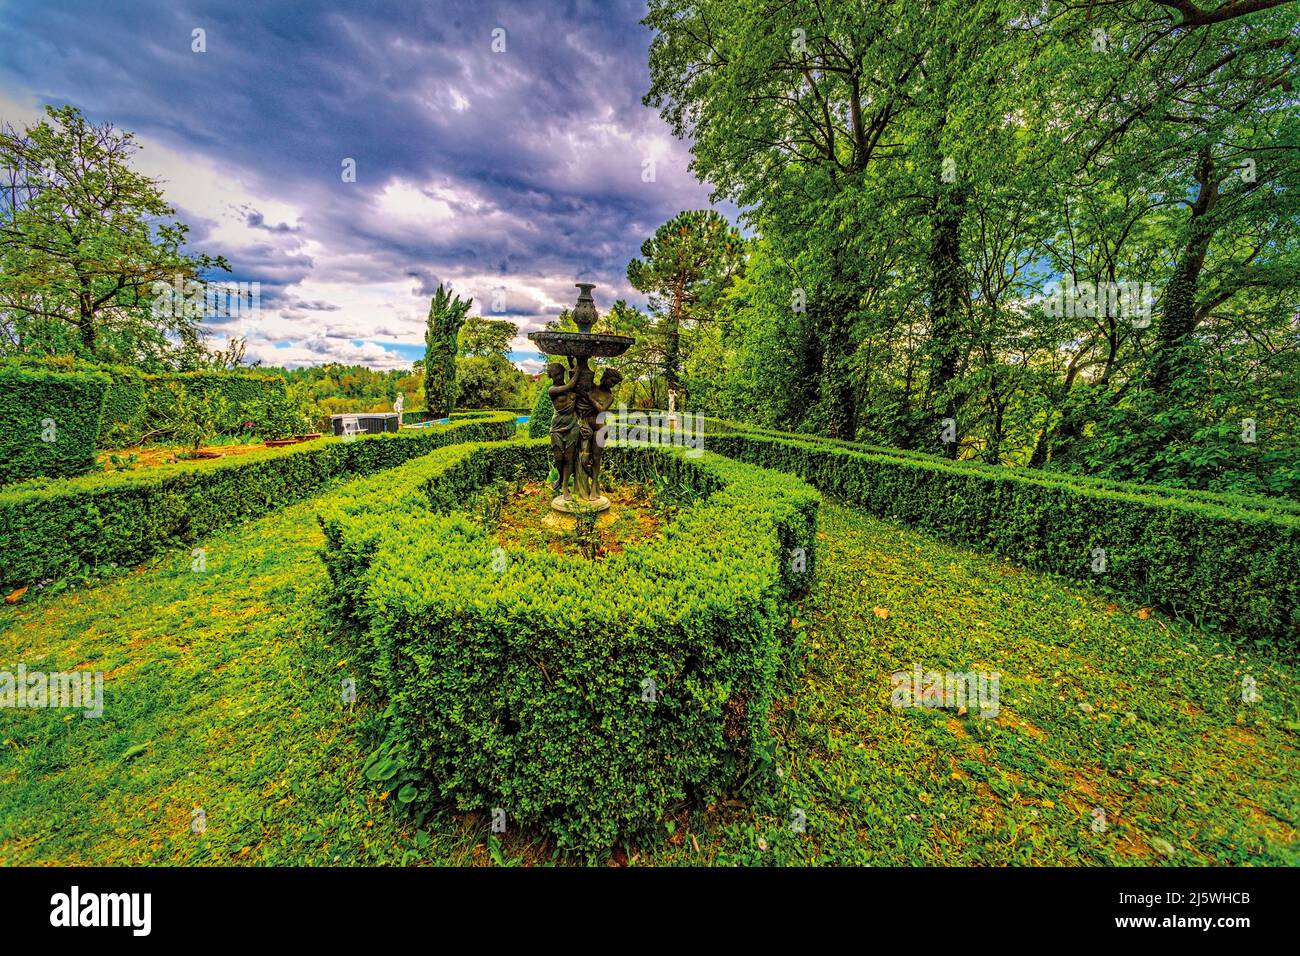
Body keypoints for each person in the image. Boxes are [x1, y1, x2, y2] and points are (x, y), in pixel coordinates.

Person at [546, 359, 580, 497]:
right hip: (557, 426)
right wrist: (581, 363)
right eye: (556, 375)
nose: (559, 377)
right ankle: (560, 477)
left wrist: (572, 362)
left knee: (569, 457)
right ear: (551, 377)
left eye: (560, 374)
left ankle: (565, 486)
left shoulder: (571, 388)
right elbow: (572, 382)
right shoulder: (553, 390)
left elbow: (574, 380)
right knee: (559, 457)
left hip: (572, 425)